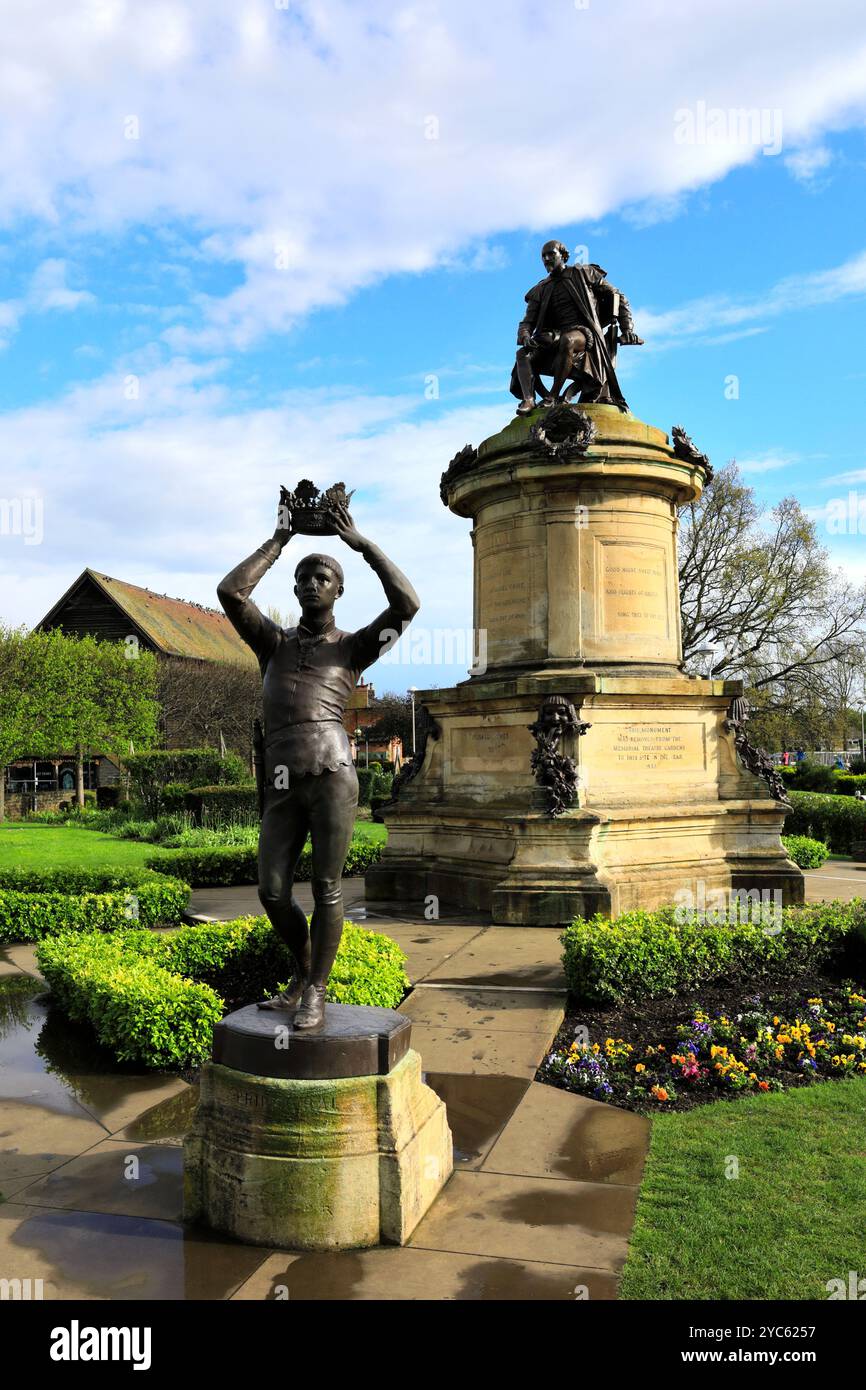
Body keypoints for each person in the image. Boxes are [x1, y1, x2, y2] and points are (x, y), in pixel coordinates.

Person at [217, 498, 420, 1030]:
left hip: (332, 775)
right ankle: (302, 974)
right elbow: (230, 592)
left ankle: (317, 992)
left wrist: (362, 546)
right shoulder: (272, 643)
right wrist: (278, 543)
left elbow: (407, 606)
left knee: (327, 889)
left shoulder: (353, 649)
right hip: (282, 779)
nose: (312, 584)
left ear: (338, 590)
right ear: (294, 588)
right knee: (272, 890)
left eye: (323, 577)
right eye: (305, 578)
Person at [510, 239, 643, 415]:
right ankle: (529, 399)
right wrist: (525, 336)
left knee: (569, 340)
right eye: (543, 256)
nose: (547, 259)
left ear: (563, 256)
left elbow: (617, 295)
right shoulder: (540, 288)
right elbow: (527, 322)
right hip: (554, 335)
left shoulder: (584, 273)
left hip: (584, 333)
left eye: (551, 254)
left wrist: (628, 329)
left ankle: (552, 397)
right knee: (523, 354)